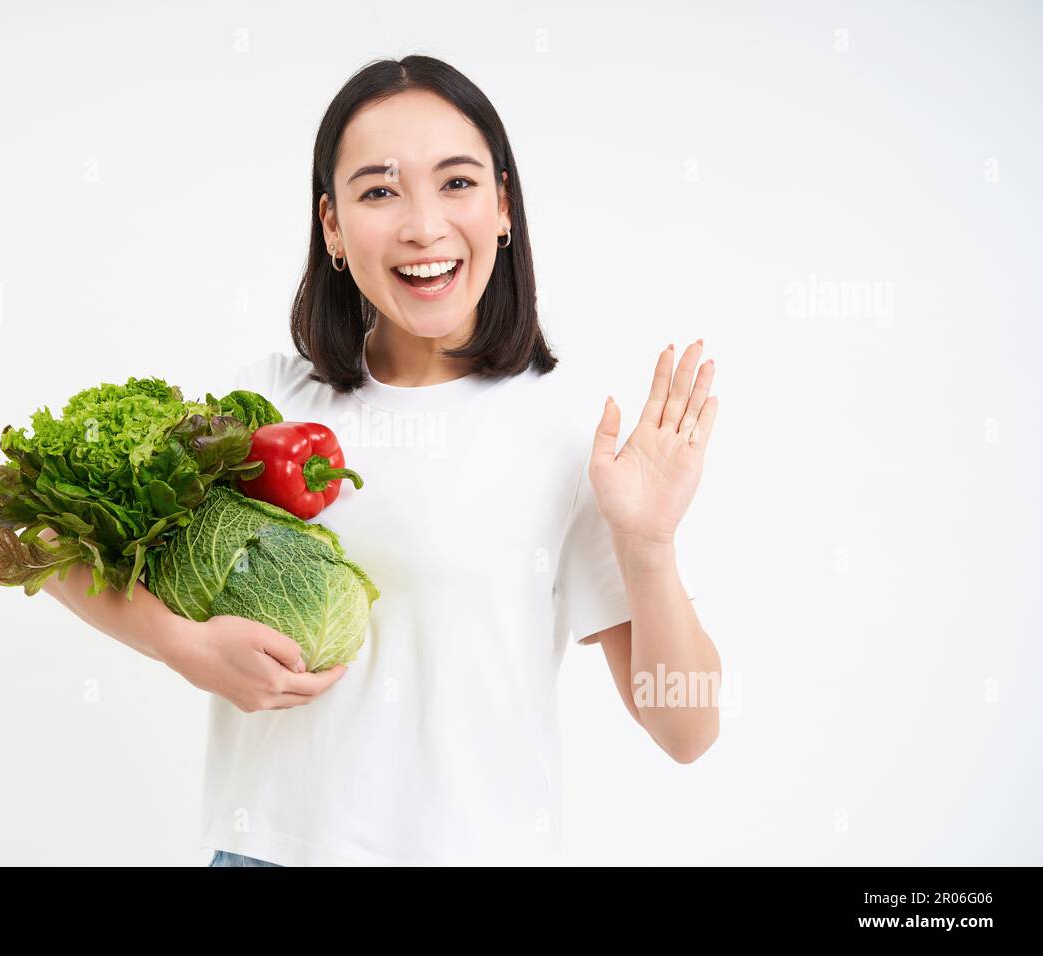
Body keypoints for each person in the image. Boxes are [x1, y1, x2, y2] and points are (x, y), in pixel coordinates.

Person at [44, 55, 721, 867]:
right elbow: (51, 540)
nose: (423, 226)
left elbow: (686, 730)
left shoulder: (570, 436)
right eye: (378, 190)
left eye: (458, 183)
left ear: (504, 206)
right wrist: (180, 644)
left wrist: (648, 547)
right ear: (331, 225)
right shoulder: (265, 405)